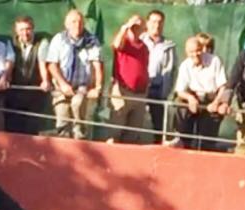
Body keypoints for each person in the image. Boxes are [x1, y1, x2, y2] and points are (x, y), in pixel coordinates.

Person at [46, 9, 103, 140]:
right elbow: (52, 64)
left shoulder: (92, 40)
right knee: (62, 121)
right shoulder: (58, 39)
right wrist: (63, 84)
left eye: (80, 22)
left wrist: (98, 87)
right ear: (67, 24)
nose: (77, 25)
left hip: (82, 86)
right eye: (73, 22)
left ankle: (81, 143)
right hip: (62, 86)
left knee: (78, 108)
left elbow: (97, 65)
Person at [171, 35, 228, 150]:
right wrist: (190, 98)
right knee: (180, 103)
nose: (195, 54)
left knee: (207, 141)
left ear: (202, 49)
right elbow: (180, 90)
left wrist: (216, 102)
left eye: (198, 50)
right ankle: (181, 138)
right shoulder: (185, 65)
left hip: (211, 99)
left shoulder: (215, 61)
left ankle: (207, 145)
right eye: (192, 52)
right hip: (194, 97)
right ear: (187, 52)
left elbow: (223, 86)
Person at [4, 16, 51, 135]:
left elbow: (42, 63)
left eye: (28, 29)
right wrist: (6, 78)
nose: (25, 33)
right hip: (14, 92)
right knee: (12, 127)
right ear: (16, 30)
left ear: (33, 28)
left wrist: (45, 80)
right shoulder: (11, 43)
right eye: (21, 30)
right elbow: (10, 62)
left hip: (34, 93)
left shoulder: (42, 43)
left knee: (32, 128)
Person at [108, 14, 151, 143]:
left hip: (140, 93)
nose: (135, 29)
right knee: (115, 130)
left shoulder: (144, 47)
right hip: (123, 91)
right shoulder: (124, 42)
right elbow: (116, 45)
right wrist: (125, 28)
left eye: (139, 27)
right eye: (133, 27)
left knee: (133, 133)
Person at [141, 10, 175, 143]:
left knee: (159, 125)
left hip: (158, 90)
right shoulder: (139, 40)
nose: (157, 25)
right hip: (140, 89)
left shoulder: (169, 46)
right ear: (147, 23)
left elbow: (172, 70)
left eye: (160, 22)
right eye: (154, 21)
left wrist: (166, 91)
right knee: (136, 122)